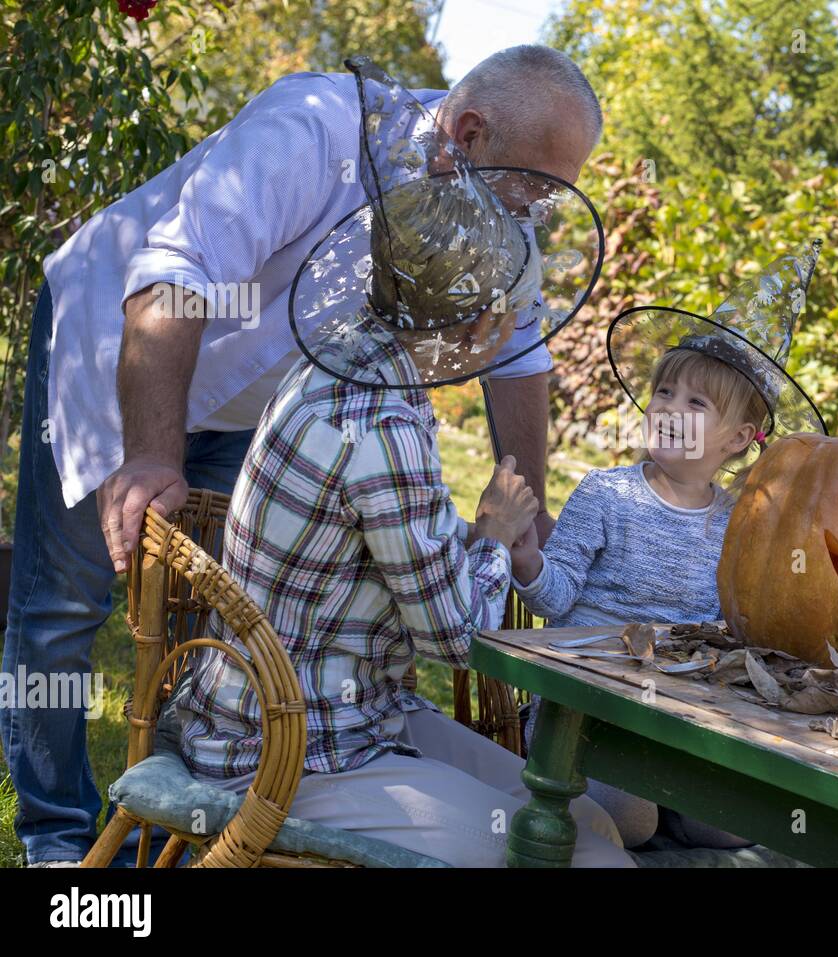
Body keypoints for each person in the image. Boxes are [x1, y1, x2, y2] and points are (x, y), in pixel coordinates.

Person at [2, 44, 599, 867]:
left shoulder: (478, 231)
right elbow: (172, 275)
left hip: (272, 396)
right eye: (536, 186)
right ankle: (58, 839)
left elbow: (520, 352)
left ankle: (182, 805)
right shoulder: (313, 131)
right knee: (64, 606)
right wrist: (152, 455)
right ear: (465, 133)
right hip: (127, 343)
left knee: (231, 601)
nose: (536, 211)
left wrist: (523, 507)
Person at [175, 55, 630, 867]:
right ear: (483, 326)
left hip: (324, 710)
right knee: (584, 855)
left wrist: (471, 541)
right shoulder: (382, 423)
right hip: (290, 748)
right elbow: (456, 637)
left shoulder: (355, 359)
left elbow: (401, 556)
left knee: (593, 821)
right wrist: (491, 536)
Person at [512, 240, 827, 849]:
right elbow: (555, 600)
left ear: (739, 438)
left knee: (736, 829)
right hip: (584, 709)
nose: (669, 408)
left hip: (679, 721)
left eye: (695, 402)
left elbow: (734, 627)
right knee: (629, 821)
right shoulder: (607, 494)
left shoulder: (742, 525)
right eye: (664, 392)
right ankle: (637, 816)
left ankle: (670, 810)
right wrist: (529, 561)